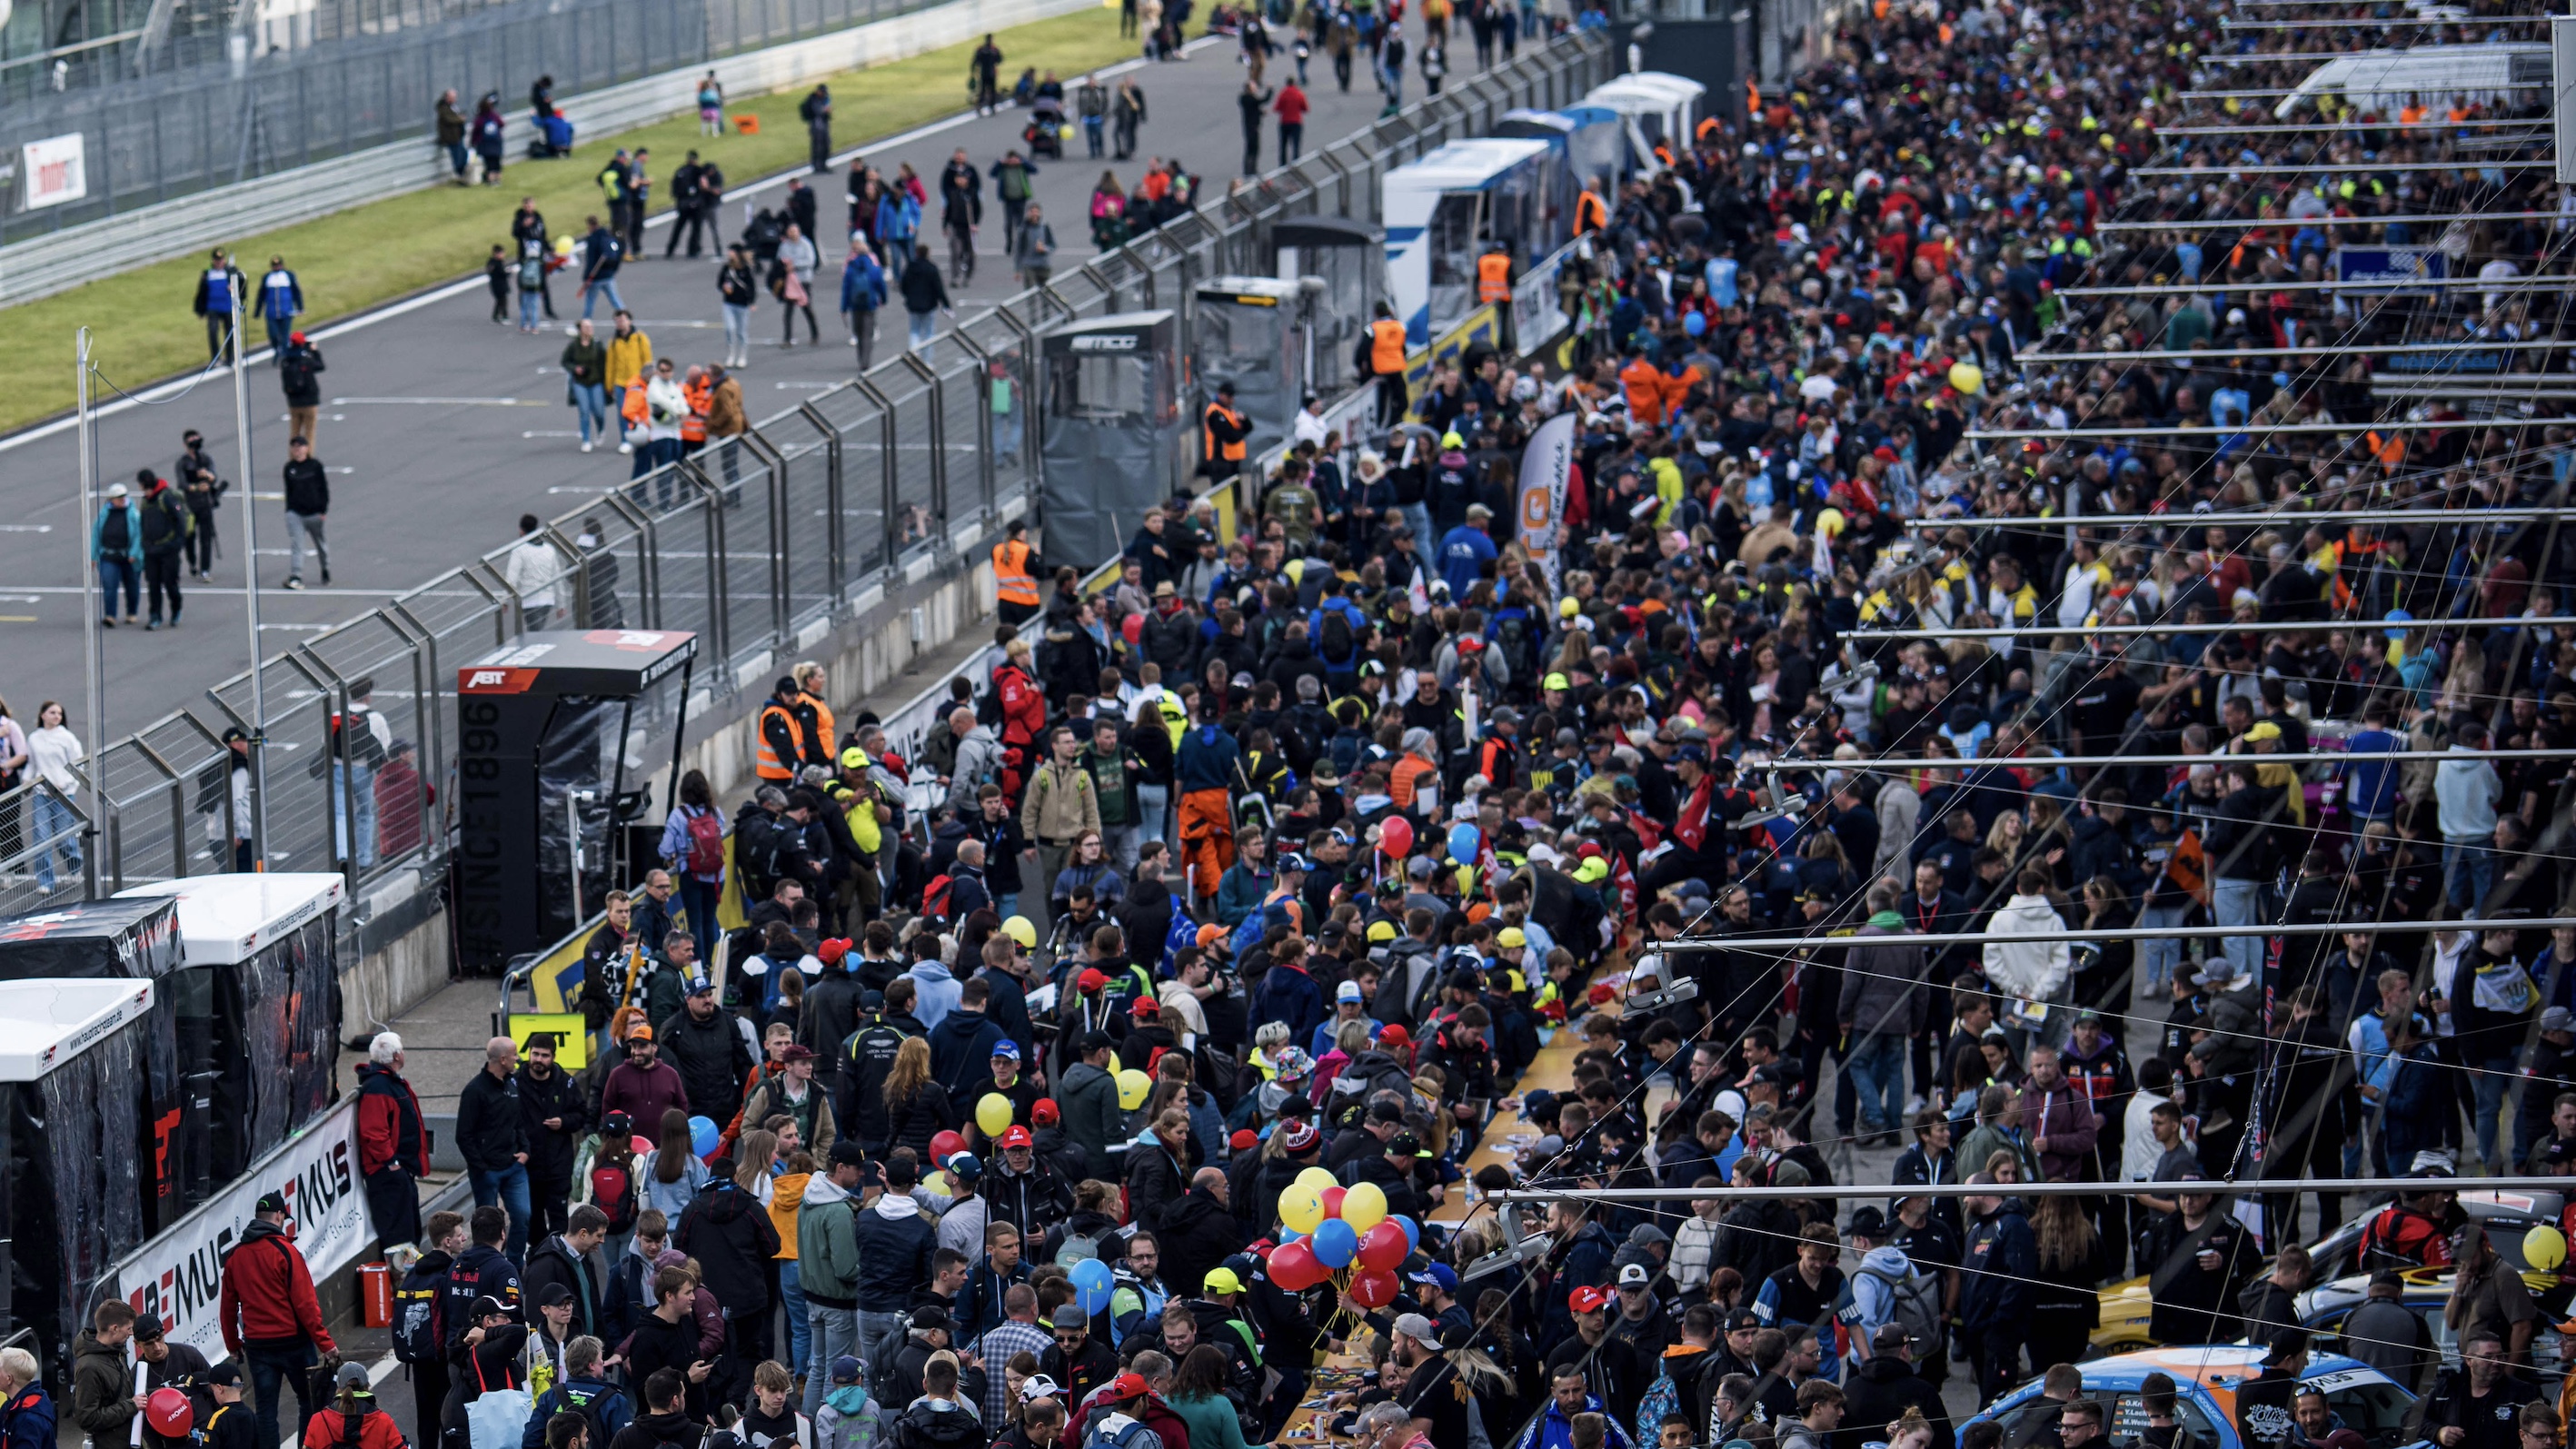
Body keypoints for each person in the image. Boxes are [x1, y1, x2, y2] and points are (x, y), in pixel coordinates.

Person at [217, 1189, 338, 1449]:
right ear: (279, 1216)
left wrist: (233, 1344)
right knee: (309, 1402)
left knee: (266, 1411)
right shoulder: (285, 1252)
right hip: (294, 1343)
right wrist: (326, 1344)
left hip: (259, 1347)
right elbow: (306, 1305)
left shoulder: (235, 1257)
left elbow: (227, 1307)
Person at [458, 1035, 535, 1263]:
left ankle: (514, 1265)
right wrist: (482, 1167)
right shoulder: (474, 1091)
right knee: (487, 1226)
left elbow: (518, 1121)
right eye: (514, 1055)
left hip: (514, 1166)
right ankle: (489, 1265)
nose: (518, 1059)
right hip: (487, 1172)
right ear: (502, 1059)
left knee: (522, 1215)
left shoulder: (512, 1084)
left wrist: (525, 1150)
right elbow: (463, 1135)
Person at [356, 1031, 429, 1247]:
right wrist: (391, 1163)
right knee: (399, 1235)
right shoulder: (379, 1087)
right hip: (388, 1173)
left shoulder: (387, 1082)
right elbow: (374, 1132)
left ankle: (408, 1276)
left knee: (409, 1230)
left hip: (399, 1170)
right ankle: (403, 1279)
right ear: (397, 1056)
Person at [280, 435, 330, 590]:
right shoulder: (289, 468)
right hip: (296, 513)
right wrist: (289, 510)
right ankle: (296, 575)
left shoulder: (315, 466)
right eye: (294, 447)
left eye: (300, 446)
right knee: (297, 544)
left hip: (314, 513)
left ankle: (325, 568)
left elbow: (323, 489)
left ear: (307, 448)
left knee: (320, 543)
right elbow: (289, 490)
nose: (297, 449)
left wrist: (322, 510)